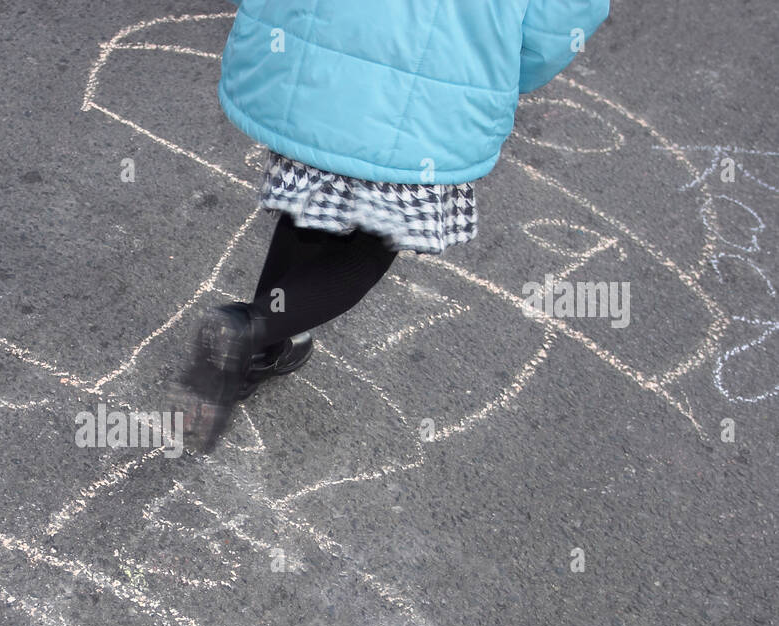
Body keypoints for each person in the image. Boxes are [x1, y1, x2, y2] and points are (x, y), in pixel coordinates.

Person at [175, 0, 611, 452]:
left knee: (318, 196)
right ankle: (249, 329)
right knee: (378, 235)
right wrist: (500, 69)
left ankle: (263, 348)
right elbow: (562, 19)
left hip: (322, 55)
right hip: (435, 90)